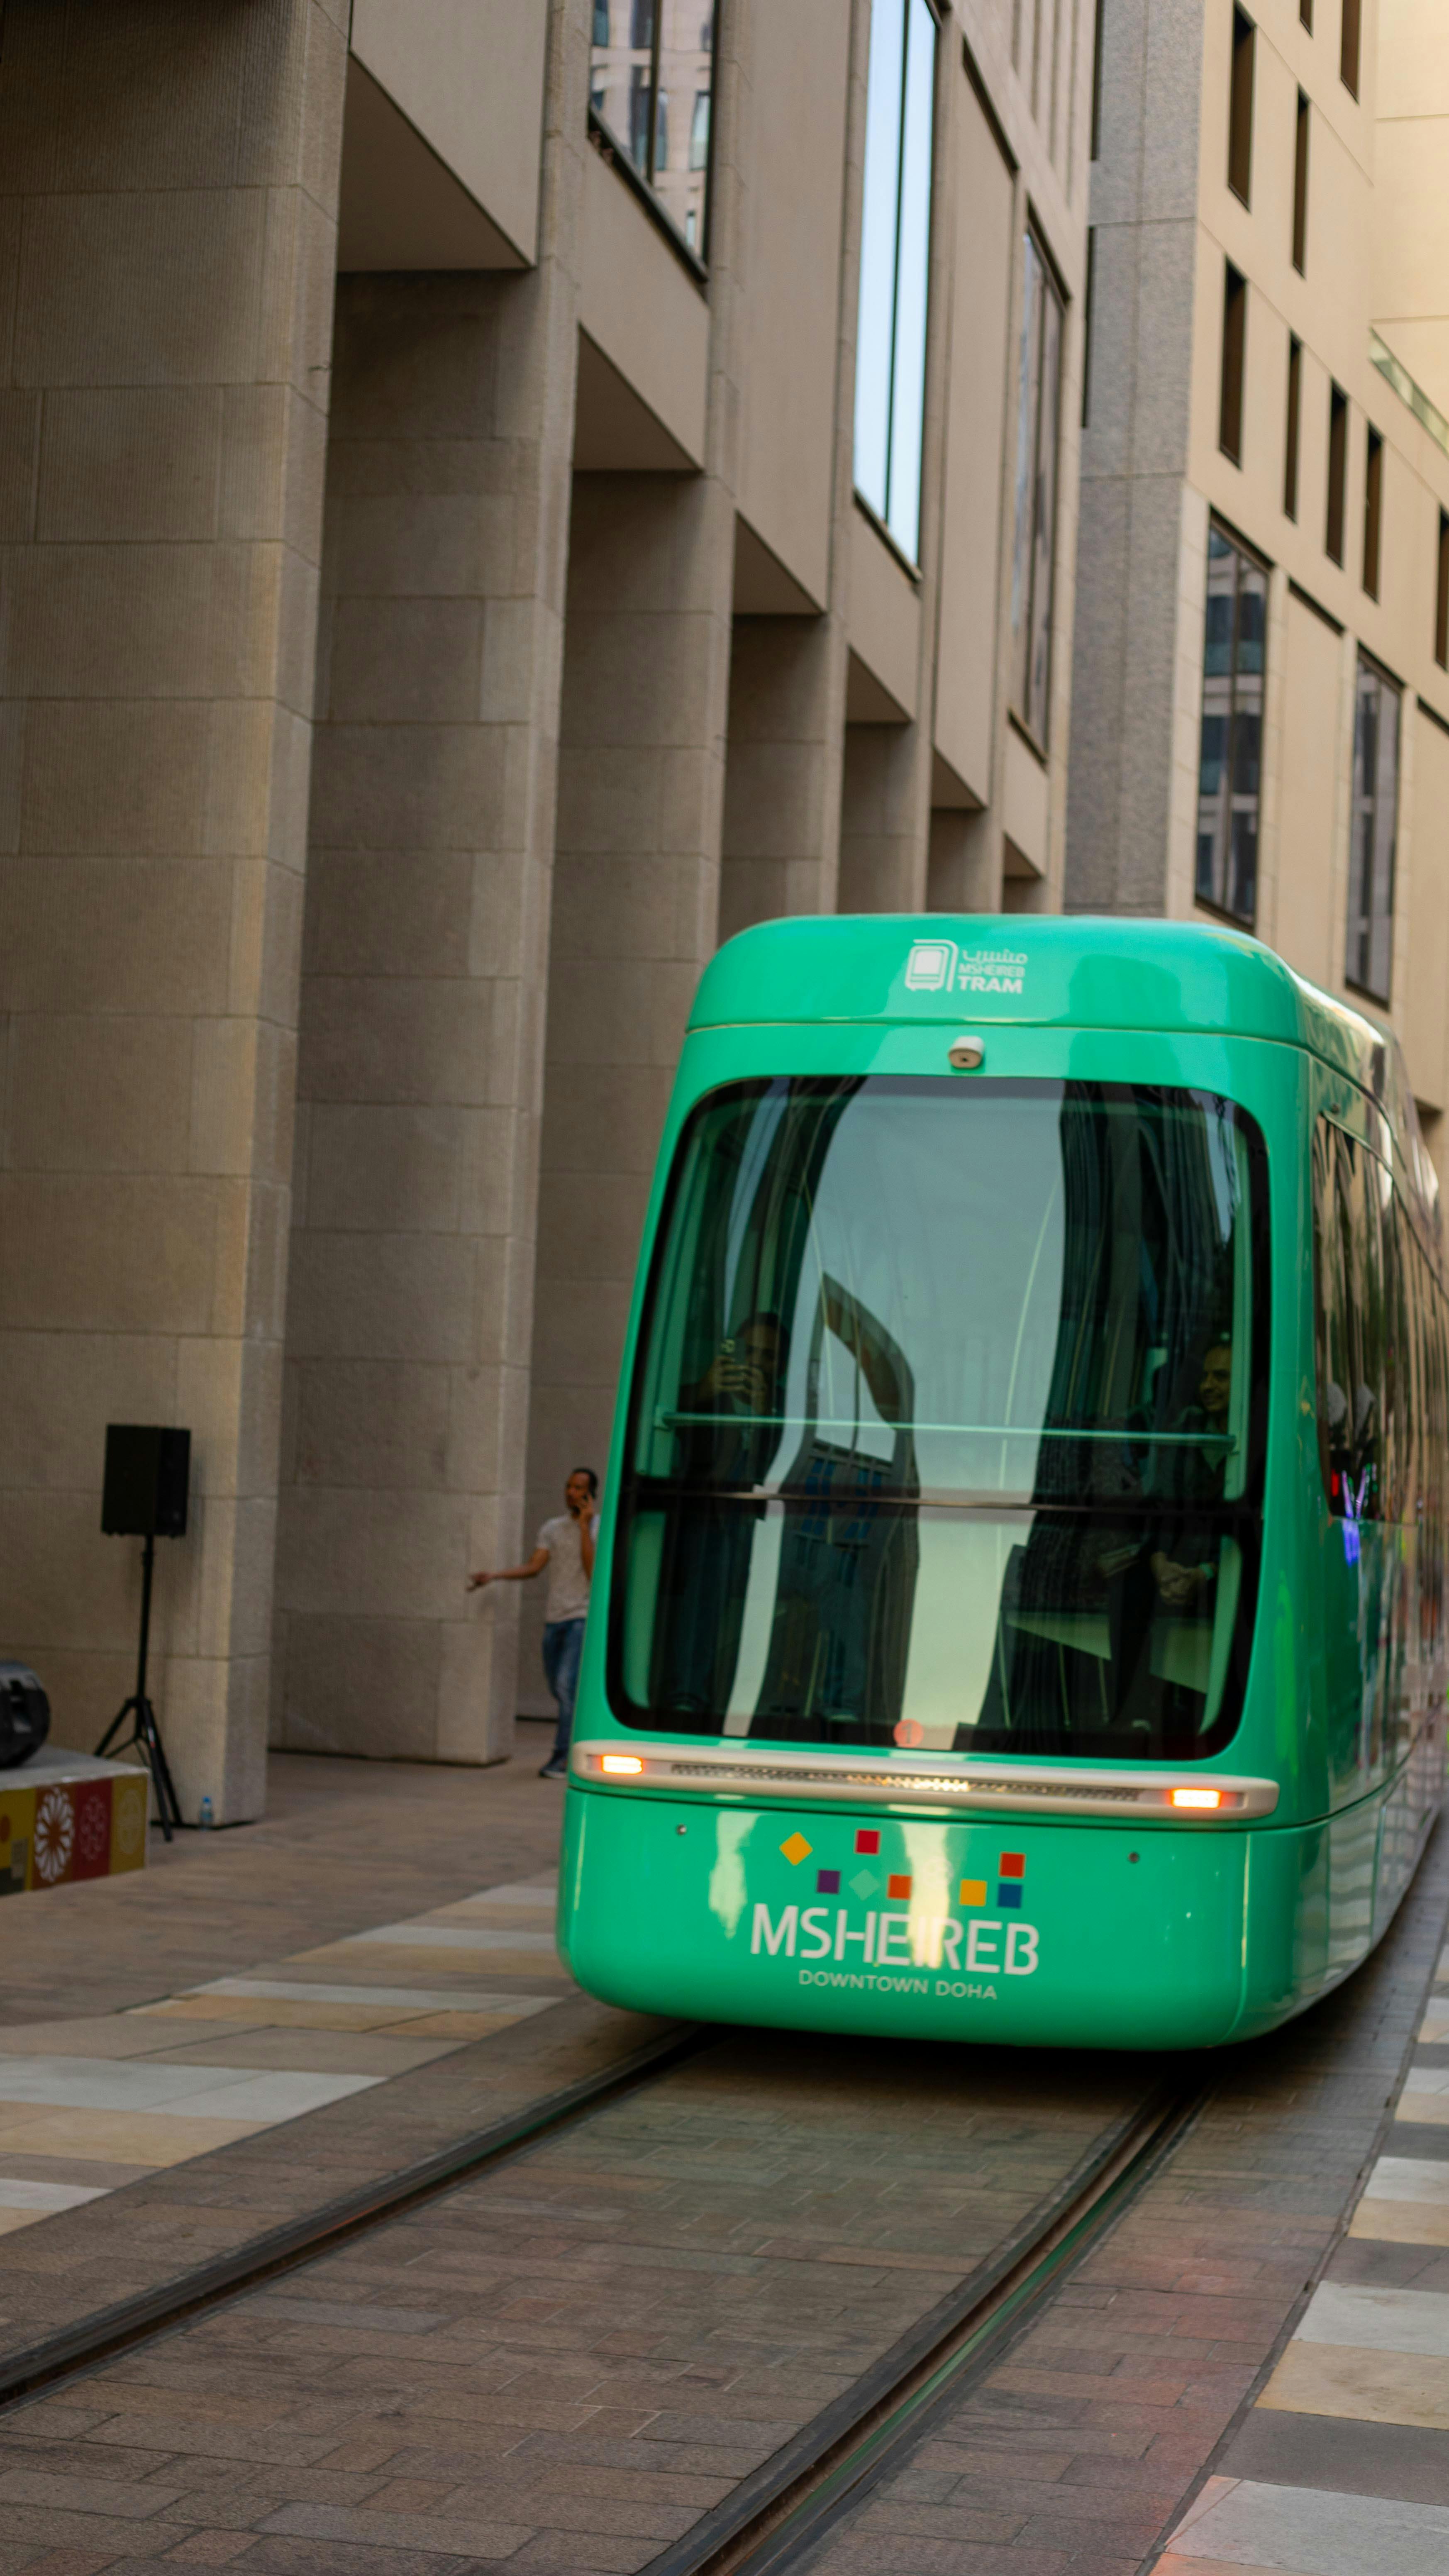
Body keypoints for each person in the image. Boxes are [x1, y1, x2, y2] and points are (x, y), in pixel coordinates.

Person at [468, 1469, 599, 1778]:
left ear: (591, 1494)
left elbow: (593, 1571)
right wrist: (495, 1577)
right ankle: (579, 1742)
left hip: (582, 1616)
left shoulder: (600, 1527)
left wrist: (584, 1528)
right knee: (558, 1688)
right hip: (555, 1618)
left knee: (567, 1687)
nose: (571, 1492)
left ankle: (562, 1758)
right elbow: (534, 1567)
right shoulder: (552, 1528)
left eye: (579, 1488)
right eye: (568, 1486)